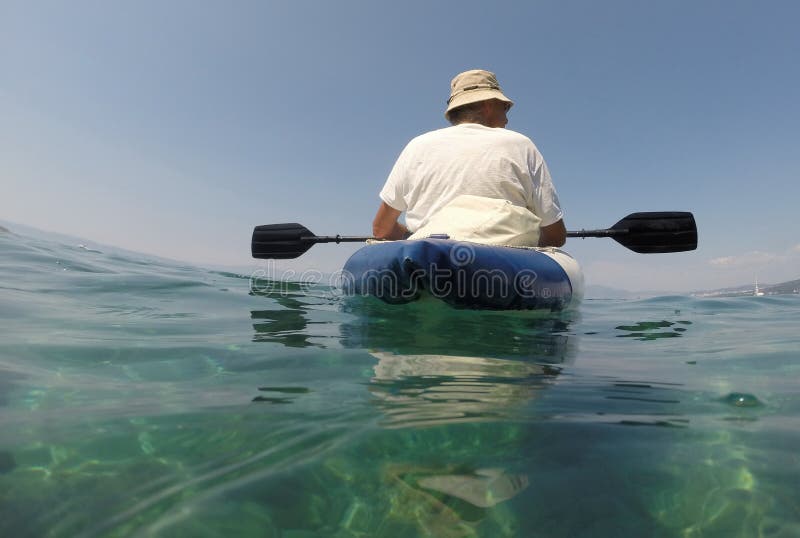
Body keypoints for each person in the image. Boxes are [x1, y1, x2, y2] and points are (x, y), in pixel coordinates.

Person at [372, 69, 566, 247]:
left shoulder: (416, 146)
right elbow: (555, 235)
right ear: (488, 105)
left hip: (427, 266)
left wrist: (415, 236)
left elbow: (381, 229)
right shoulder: (521, 144)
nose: (507, 118)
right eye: (505, 108)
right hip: (504, 271)